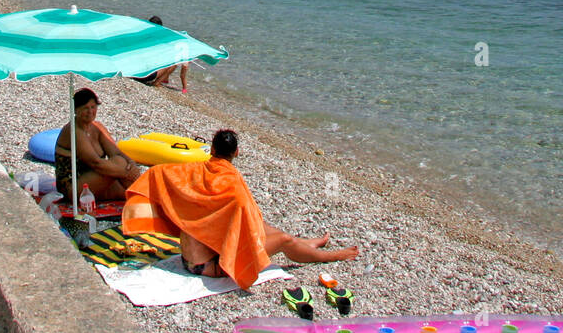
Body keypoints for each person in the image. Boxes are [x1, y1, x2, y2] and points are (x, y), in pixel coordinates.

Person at [122, 129, 358, 289]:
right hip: (208, 266)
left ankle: (308, 244)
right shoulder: (231, 184)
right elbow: (248, 221)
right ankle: (329, 257)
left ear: (211, 150)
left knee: (265, 227)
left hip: (192, 258)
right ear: (236, 153)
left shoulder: (192, 171)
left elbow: (156, 173)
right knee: (283, 239)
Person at [54, 88, 142, 205]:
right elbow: (95, 163)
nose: (90, 111)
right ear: (76, 110)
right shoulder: (74, 130)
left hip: (95, 178)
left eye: (93, 107)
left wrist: (131, 164)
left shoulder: (97, 127)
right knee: (121, 166)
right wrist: (125, 173)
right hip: (73, 186)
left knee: (130, 190)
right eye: (85, 108)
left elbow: (116, 153)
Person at [132, 16, 188, 93]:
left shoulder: (141, 37)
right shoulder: (158, 42)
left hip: (133, 73)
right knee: (174, 63)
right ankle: (157, 83)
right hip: (146, 76)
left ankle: (162, 79)